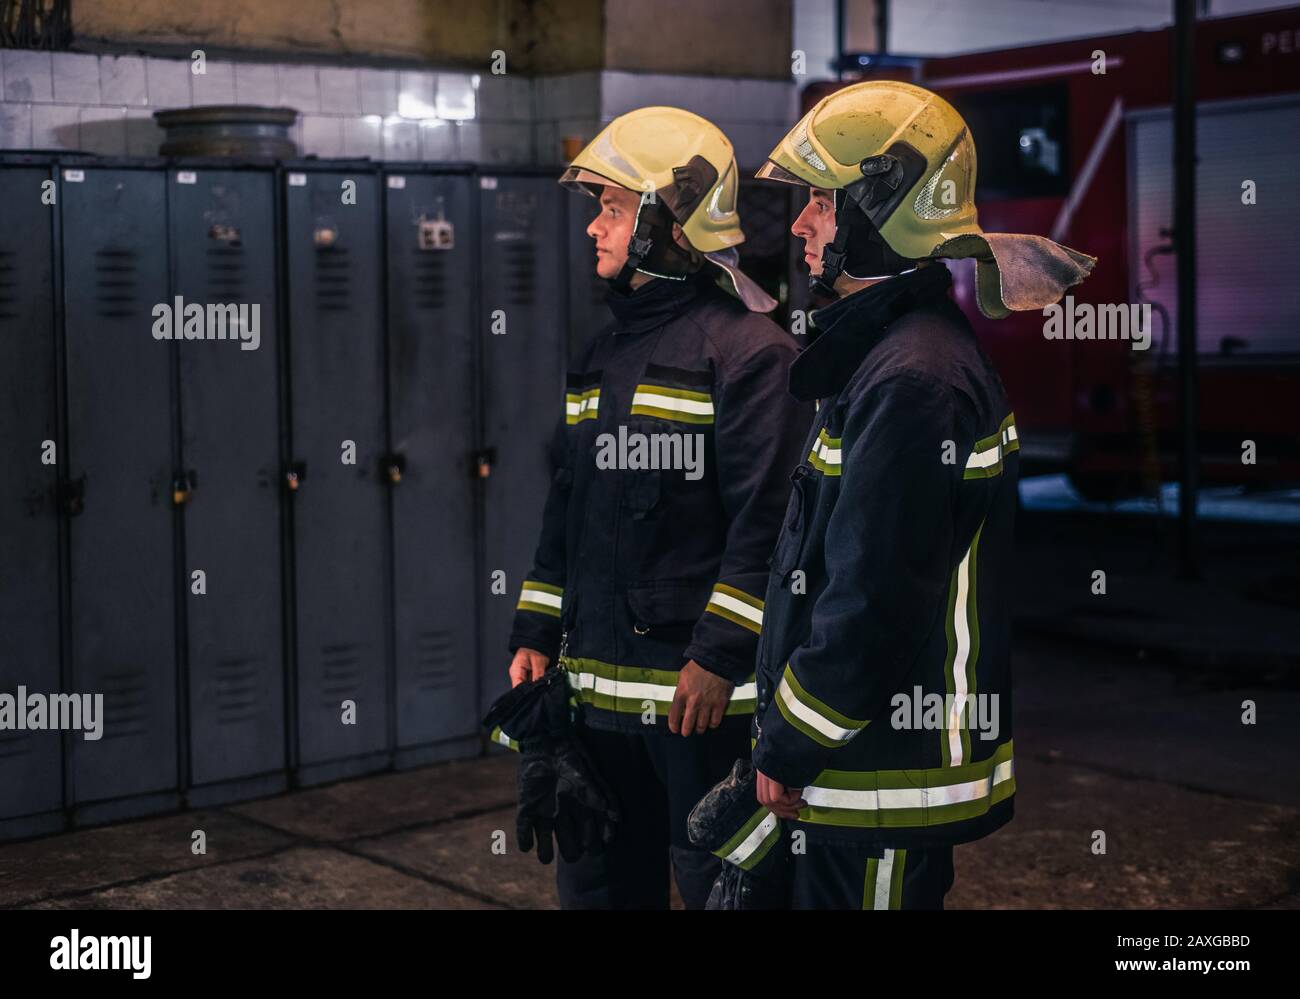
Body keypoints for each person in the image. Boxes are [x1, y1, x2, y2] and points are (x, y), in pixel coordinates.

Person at [747, 80, 1095, 909]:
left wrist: (793, 741)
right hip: (866, 766)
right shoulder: (895, 359)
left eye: (821, 203)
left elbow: (874, 595)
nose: (800, 224)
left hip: (881, 778)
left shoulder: (913, 379)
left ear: (881, 206)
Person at [505, 106, 814, 909]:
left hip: (698, 715)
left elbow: (770, 524)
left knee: (723, 891)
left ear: (664, 222)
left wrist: (717, 656)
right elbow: (567, 502)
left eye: (610, 209)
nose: (592, 231)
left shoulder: (753, 352)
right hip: (595, 703)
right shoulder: (602, 353)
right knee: (601, 891)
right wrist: (537, 628)